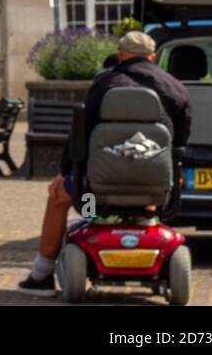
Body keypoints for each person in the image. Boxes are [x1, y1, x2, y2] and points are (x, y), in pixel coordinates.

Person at [17, 30, 190, 296]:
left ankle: (41, 274)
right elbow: (180, 144)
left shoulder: (105, 84)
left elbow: (79, 137)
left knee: (57, 197)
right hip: (154, 191)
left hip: (95, 192)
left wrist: (66, 174)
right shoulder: (176, 88)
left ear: (121, 56)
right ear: (153, 57)